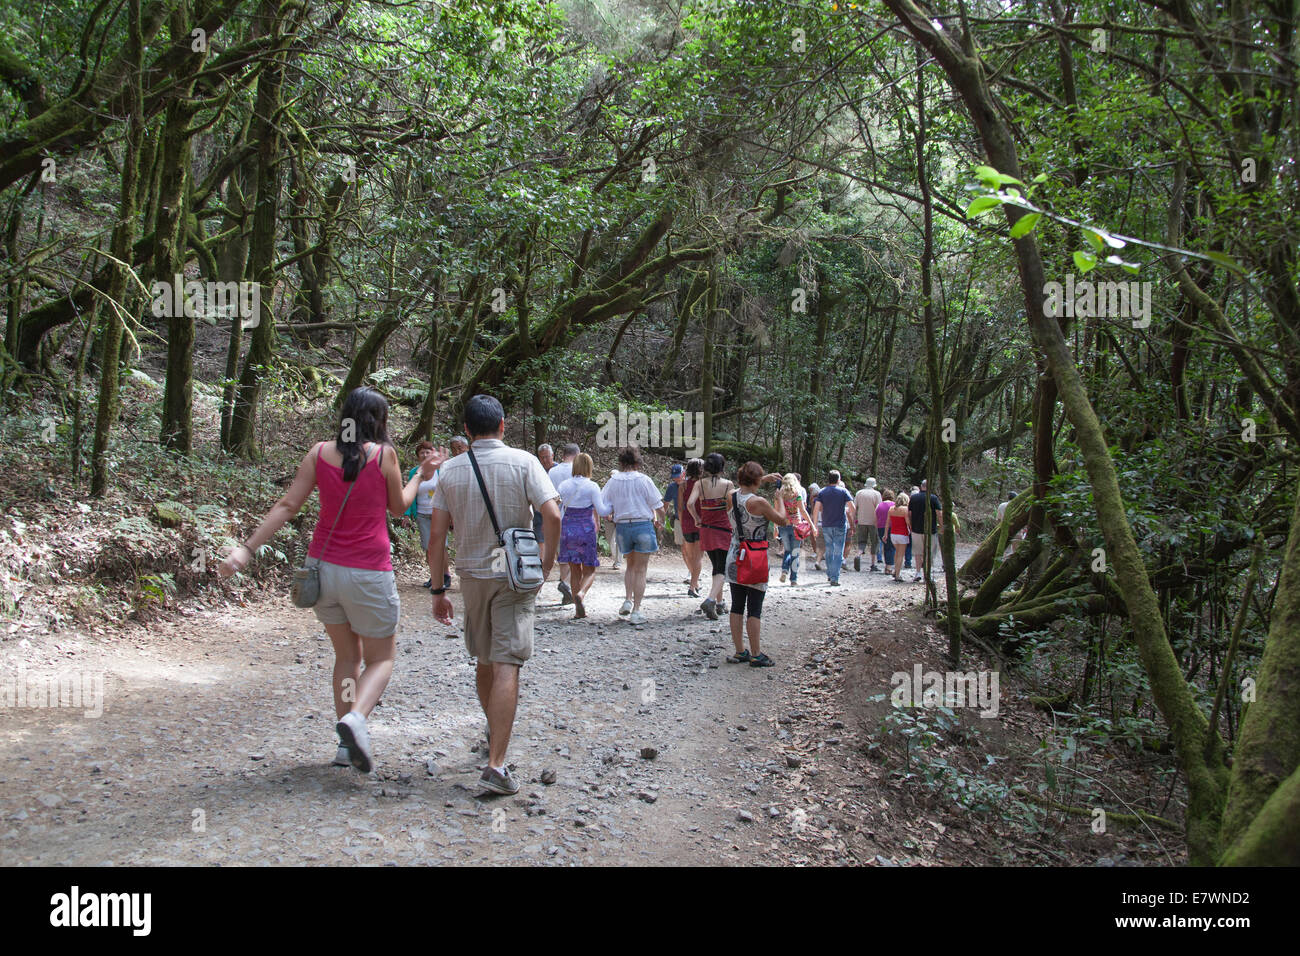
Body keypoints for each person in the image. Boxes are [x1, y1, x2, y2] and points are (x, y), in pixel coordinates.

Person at [218, 386, 443, 772]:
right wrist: (421, 476)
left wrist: (247, 549)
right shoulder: (384, 455)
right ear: (379, 421)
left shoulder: (319, 453)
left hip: (323, 571)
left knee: (346, 657)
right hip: (368, 572)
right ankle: (357, 719)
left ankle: (344, 745)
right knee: (382, 658)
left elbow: (288, 505)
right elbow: (398, 507)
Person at [427, 395, 561, 796]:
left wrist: (438, 589)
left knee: (486, 658)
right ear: (503, 424)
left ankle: (492, 728)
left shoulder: (450, 470)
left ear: (466, 430)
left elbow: (436, 538)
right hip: (516, 574)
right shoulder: (524, 461)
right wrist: (546, 564)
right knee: (508, 662)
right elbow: (552, 514)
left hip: (472, 575)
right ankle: (496, 764)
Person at [725, 462, 789, 667]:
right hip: (755, 558)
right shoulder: (760, 502)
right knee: (754, 607)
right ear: (756, 480)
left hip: (735, 555)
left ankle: (739, 651)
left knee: (736, 605)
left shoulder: (731, 496)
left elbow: (743, 489)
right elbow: (782, 521)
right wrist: (779, 500)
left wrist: (764, 477)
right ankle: (756, 653)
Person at [600, 445, 665, 625]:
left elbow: (603, 503)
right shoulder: (644, 480)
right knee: (641, 570)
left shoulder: (613, 481)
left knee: (629, 566)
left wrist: (610, 514)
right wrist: (661, 521)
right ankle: (636, 611)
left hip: (622, 527)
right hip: (643, 525)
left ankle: (628, 600)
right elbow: (658, 505)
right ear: (637, 462)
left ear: (621, 462)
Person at [555, 453, 610, 619]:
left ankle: (577, 608)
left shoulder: (563, 485)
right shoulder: (592, 486)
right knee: (590, 569)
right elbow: (601, 511)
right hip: (586, 529)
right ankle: (581, 594)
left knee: (574, 568)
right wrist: (612, 505)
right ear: (589, 467)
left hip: (568, 529)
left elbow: (558, 508)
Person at [688, 452, 734, 619]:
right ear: (722, 467)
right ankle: (710, 599)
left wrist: (697, 519)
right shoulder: (728, 485)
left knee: (717, 566)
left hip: (706, 529)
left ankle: (720, 603)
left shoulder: (699, 484)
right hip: (723, 529)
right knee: (722, 568)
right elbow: (734, 506)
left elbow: (689, 504)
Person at [404, 441, 440, 587]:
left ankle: (443, 576)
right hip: (422, 514)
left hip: (439, 513)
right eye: (422, 452)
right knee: (428, 546)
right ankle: (434, 576)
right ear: (418, 456)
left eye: (427, 452)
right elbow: (409, 493)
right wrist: (407, 515)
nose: (425, 455)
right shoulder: (415, 472)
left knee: (440, 546)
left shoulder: (440, 470)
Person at [548, 443, 580, 604]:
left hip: (556, 517)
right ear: (577, 455)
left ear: (563, 455)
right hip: (575, 517)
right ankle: (569, 586)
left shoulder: (552, 472)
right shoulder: (579, 471)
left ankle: (565, 591)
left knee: (562, 556)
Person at [811, 471, 854, 586]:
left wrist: (814, 525)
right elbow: (852, 507)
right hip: (840, 524)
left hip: (826, 524)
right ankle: (835, 577)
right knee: (838, 551)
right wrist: (851, 516)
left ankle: (830, 574)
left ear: (828, 479)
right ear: (838, 479)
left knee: (829, 550)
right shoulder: (844, 491)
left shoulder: (822, 492)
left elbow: (816, 509)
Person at [777, 473, 812, 585]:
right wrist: (811, 524)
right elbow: (802, 510)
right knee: (795, 552)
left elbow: (777, 511)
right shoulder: (797, 493)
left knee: (787, 550)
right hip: (796, 526)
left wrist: (775, 527)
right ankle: (793, 579)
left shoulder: (779, 495)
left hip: (783, 525)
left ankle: (784, 570)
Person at [908, 479, 943, 583]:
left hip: (916, 529)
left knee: (918, 552)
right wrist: (941, 526)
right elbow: (939, 514)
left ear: (921, 486)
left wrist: (910, 525)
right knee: (929, 552)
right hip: (930, 530)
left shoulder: (913, 498)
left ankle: (918, 573)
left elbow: (909, 513)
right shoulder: (933, 498)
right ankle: (928, 574)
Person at [679, 458, 704, 597]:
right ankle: (693, 586)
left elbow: (680, 508)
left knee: (690, 555)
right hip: (701, 521)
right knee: (698, 556)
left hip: (687, 523)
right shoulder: (703, 485)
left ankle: (695, 583)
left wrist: (683, 523)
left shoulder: (683, 485)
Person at [854, 477, 882, 572]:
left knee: (862, 541)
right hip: (873, 522)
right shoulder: (876, 494)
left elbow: (854, 507)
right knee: (875, 542)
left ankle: (858, 554)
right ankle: (873, 564)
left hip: (861, 521)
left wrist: (854, 519)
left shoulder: (859, 493)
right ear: (874, 485)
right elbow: (879, 508)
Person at [887, 492, 911, 580]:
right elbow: (908, 522)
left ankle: (895, 570)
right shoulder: (905, 509)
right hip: (902, 534)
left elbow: (887, 523)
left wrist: (885, 534)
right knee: (901, 555)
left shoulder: (891, 509)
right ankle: (897, 575)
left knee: (897, 553)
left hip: (893, 534)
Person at [806, 481, 824, 569]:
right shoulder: (810, 497)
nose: (810, 492)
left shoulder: (820, 497)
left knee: (819, 538)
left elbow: (815, 510)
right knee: (813, 536)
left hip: (820, 520)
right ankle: (816, 552)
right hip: (815, 519)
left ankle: (819, 555)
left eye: (811, 490)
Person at [876, 489, 895, 570]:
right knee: (891, 547)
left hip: (880, 527)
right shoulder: (894, 505)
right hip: (892, 527)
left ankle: (887, 564)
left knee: (886, 546)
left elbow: (876, 516)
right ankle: (889, 567)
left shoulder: (879, 505)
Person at [663, 463, 683, 539]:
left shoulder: (692, 484)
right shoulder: (672, 487)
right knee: (681, 545)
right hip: (678, 519)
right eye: (674, 477)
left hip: (691, 520)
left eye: (678, 476)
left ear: (683, 473)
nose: (676, 479)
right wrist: (662, 518)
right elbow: (666, 504)